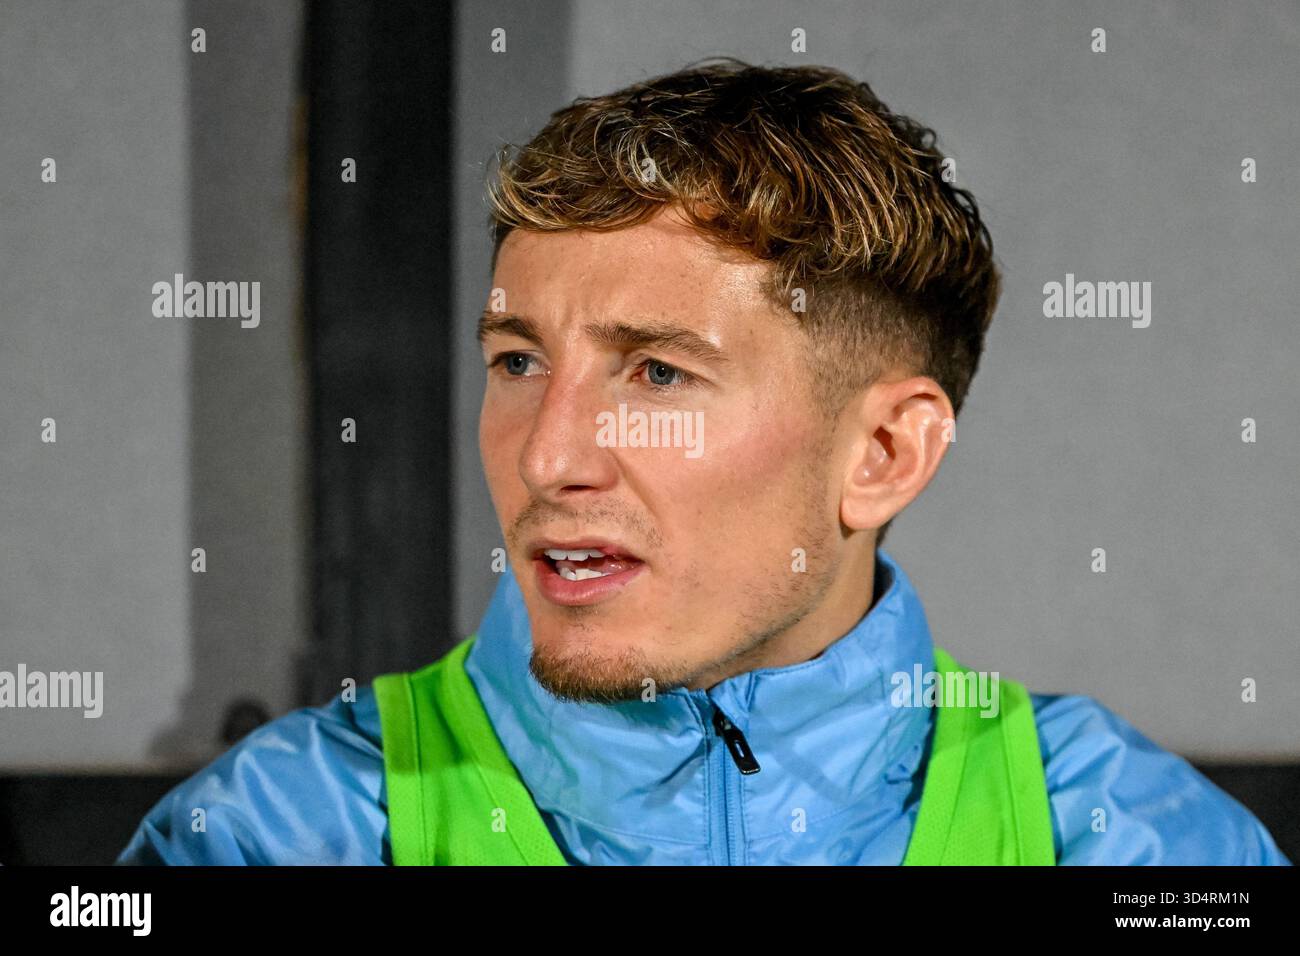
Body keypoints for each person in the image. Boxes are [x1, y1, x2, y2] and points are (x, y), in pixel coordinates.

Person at [118, 58, 1290, 866]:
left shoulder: (1126, 840)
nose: (550, 455)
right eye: (519, 360)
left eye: (656, 373)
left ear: (883, 452)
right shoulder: (285, 828)